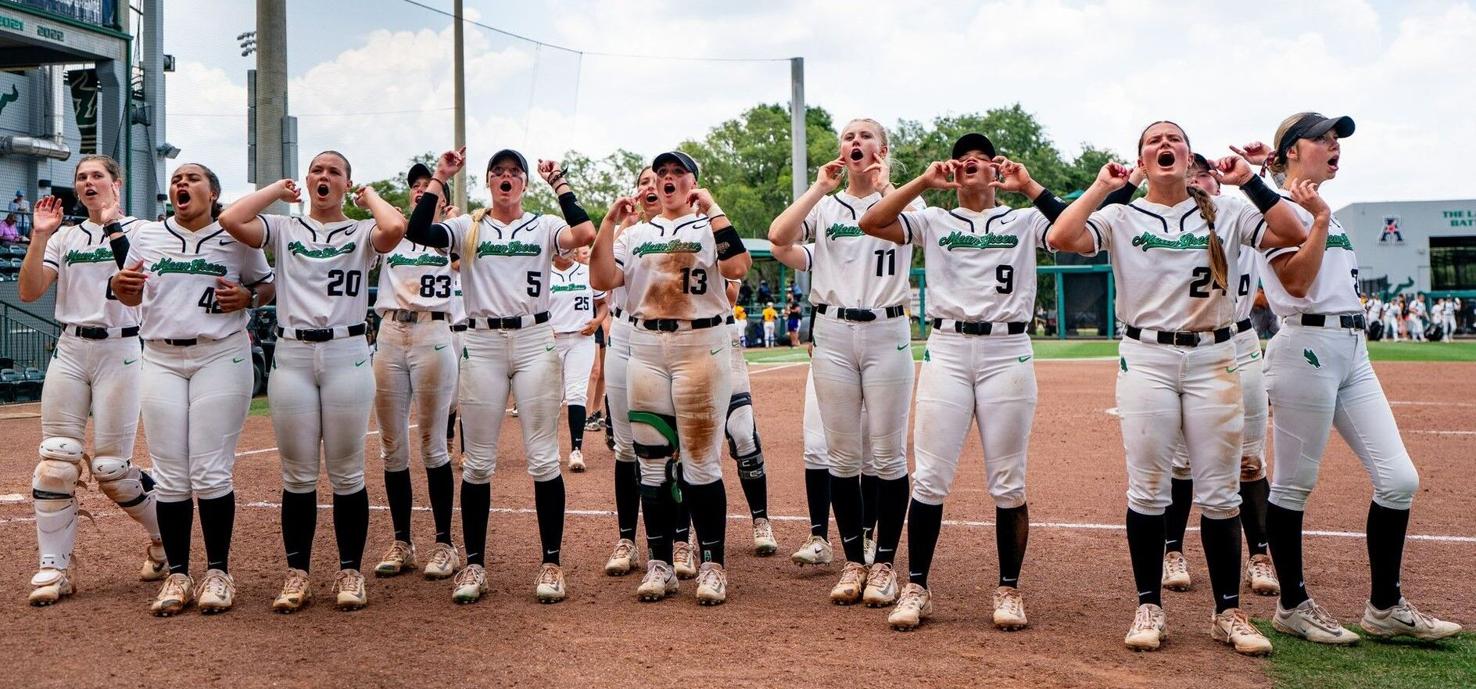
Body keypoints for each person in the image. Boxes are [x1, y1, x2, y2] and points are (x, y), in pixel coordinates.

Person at [1049, 121, 1307, 655]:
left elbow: (1292, 232)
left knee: (1219, 490)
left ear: (1190, 159)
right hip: (1146, 356)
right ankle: (1149, 605)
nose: (1164, 146)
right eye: (1153, 141)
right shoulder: (1120, 215)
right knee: (1148, 487)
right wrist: (1101, 187)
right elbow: (1061, 238)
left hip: (1215, 354)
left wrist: (1250, 183)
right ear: (1141, 160)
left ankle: (1228, 612)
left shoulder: (1228, 208)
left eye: (1175, 140)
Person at [1254, 112, 1461, 644]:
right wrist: (1316, 218)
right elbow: (1295, 286)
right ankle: (1293, 604)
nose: (1333, 145)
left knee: (1399, 480)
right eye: (1321, 138)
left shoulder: (1327, 209)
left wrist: (1323, 215)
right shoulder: (1277, 210)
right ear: (1290, 151)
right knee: (1294, 485)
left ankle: (1384, 607)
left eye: (1336, 139)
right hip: (1305, 346)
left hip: (1353, 348)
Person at [860, 134, 1061, 631]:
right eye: (963, 156)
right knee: (929, 477)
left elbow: (1074, 227)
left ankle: (1009, 589)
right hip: (947, 347)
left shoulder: (1024, 218)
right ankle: (918, 586)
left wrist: (1029, 185)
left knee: (1008, 479)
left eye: (982, 156)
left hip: (1006, 349)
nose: (971, 161)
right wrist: (925, 181)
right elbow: (871, 221)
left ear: (997, 168)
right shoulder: (932, 219)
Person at [404, 146, 596, 604]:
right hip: (483, 342)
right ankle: (474, 565)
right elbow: (416, 231)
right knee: (479, 462)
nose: (506, 177)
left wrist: (561, 184)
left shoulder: (545, 224)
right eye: (498, 172)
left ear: (524, 183)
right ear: (488, 182)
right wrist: (440, 176)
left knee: (544, 459)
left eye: (515, 172)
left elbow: (585, 231)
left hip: (534, 338)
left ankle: (551, 563)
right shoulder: (468, 227)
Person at [218, 150, 407, 612]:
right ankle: (297, 573)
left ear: (346, 183)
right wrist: (276, 193)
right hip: (294, 353)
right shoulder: (285, 228)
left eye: (335, 172)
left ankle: (349, 572)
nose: (324, 177)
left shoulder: (363, 230)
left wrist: (370, 196)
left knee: (346, 473)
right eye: (317, 170)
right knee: (298, 474)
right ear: (307, 179)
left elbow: (395, 228)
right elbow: (230, 217)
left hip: (346, 351)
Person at [109, 163, 276, 615]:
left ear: (214, 192)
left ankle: (218, 572)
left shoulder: (236, 236)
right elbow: (129, 292)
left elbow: (266, 286)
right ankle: (179, 574)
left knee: (210, 471)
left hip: (220, 353)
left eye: (193, 178)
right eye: (177, 178)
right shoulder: (147, 235)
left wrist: (247, 297)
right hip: (160, 356)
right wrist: (121, 287)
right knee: (171, 474)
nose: (181, 183)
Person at [589, 150, 751, 605]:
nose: (668, 179)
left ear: (693, 182)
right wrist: (608, 223)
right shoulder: (636, 232)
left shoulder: (708, 225)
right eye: (662, 173)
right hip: (645, 346)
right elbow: (602, 278)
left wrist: (713, 207)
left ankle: (713, 564)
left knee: (701, 462)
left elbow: (738, 268)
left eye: (678, 173)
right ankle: (660, 562)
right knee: (652, 461)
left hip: (701, 345)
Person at [768, 118, 917, 608]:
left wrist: (885, 186)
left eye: (865, 136)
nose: (855, 143)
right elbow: (779, 236)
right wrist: (817, 188)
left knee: (888, 455)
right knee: (843, 457)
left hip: (887, 328)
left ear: (883, 148)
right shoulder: (827, 206)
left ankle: (885, 565)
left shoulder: (905, 201)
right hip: (831, 330)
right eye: (849, 137)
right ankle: (854, 560)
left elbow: (914, 221)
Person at [18, 154, 166, 606]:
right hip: (72, 347)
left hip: (121, 347)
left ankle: (166, 540)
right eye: (81, 178)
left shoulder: (142, 230)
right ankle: (53, 568)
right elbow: (28, 291)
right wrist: (39, 238)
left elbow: (142, 282)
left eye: (97, 176)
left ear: (116, 185)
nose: (87, 182)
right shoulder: (64, 237)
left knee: (111, 469)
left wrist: (111, 225)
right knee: (56, 459)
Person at [1134, 153, 1279, 599]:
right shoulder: (1171, 223)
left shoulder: (1237, 217)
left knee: (1250, 460)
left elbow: (1283, 215)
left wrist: (1264, 175)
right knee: (1179, 461)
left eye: (1205, 176)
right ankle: (1172, 549)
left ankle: (1259, 553)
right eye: (1191, 176)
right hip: (1188, 347)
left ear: (1218, 182)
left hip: (1237, 339)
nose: (1198, 183)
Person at [368, 162, 460, 582]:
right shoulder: (392, 236)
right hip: (389, 332)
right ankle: (402, 540)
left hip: (433, 332)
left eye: (431, 186)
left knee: (433, 444)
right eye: (416, 187)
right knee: (392, 447)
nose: (423, 191)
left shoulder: (455, 233)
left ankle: (445, 543)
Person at [598, 167, 659, 577]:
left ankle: (679, 540)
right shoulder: (627, 237)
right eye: (644, 182)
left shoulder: (692, 229)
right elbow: (601, 279)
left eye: (660, 179)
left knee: (670, 445)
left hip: (667, 337)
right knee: (625, 448)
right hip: (625, 331)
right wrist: (612, 224)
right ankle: (626, 539)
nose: (651, 186)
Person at [724, 278, 777, 556]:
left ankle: (761, 520)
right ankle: (684, 536)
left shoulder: (717, 238)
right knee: (689, 446)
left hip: (721, 336)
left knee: (744, 435)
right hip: (679, 342)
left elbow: (731, 293)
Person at [548, 244, 607, 473]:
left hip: (581, 339)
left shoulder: (586, 271)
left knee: (576, 394)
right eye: (560, 247)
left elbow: (602, 304)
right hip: (552, 341)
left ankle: (576, 450)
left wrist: (597, 321)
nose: (565, 250)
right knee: (552, 397)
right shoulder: (544, 273)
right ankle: (551, 449)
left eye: (568, 247)